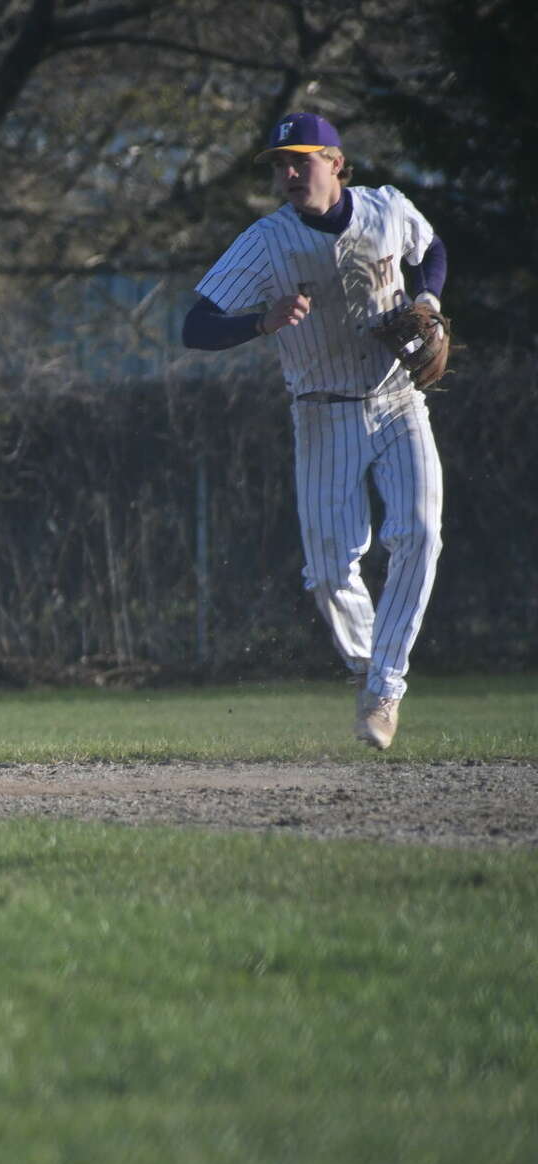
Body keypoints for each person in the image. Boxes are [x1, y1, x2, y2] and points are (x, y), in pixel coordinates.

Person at [181, 111, 447, 751]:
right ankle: (367, 664)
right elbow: (195, 326)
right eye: (279, 163)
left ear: (335, 160)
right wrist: (262, 323)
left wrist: (430, 301)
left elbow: (430, 248)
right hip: (322, 411)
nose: (289, 172)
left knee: (420, 534)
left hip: (396, 398)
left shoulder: (385, 210)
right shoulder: (266, 241)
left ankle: (385, 688)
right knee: (329, 571)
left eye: (301, 159)